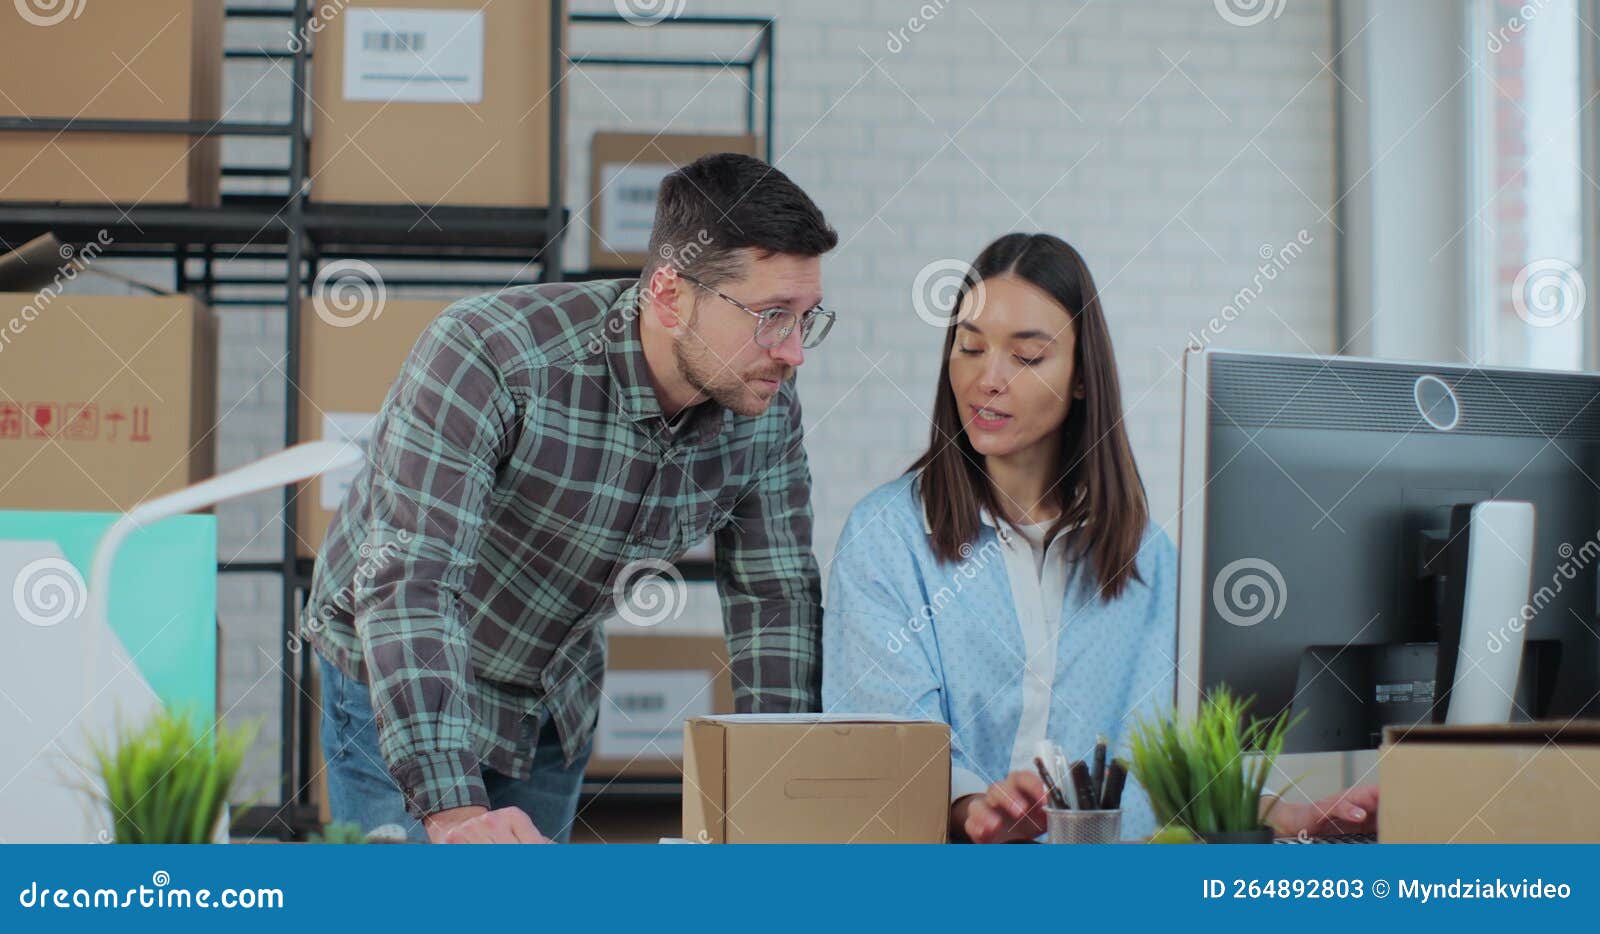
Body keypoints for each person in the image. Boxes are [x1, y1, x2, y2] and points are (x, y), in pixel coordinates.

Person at [303, 153, 838, 843]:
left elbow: (774, 593)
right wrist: (454, 807)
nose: (793, 352)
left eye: (806, 318)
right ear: (671, 297)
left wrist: (776, 799)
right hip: (395, 676)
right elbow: (414, 582)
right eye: (771, 316)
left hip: (550, 699)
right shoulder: (491, 356)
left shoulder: (763, 404)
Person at [823, 232, 1378, 843]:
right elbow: (879, 751)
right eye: (970, 348)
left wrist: (1289, 818)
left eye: (1027, 358)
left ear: (1083, 378)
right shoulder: (887, 538)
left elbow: (1179, 764)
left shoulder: (1148, 559)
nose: (988, 379)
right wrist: (971, 808)